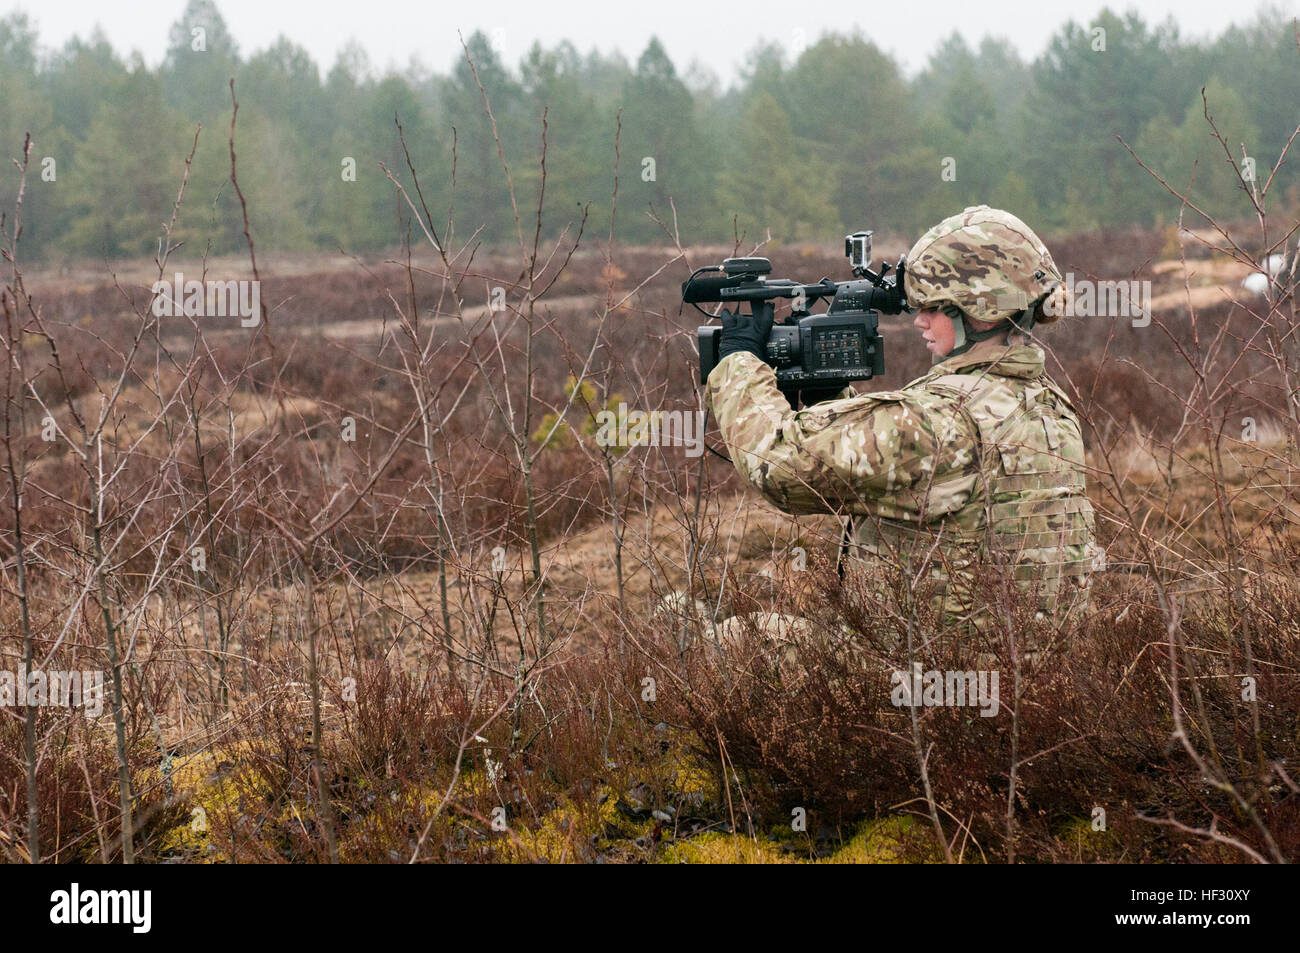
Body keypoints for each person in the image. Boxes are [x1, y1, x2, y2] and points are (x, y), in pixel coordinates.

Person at [706, 206, 1099, 636]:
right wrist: (830, 399)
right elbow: (914, 469)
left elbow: (780, 467)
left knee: (729, 636)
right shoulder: (1051, 407)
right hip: (1034, 678)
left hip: (917, 680)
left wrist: (738, 362)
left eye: (934, 306)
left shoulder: (939, 419)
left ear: (980, 309)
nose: (920, 320)